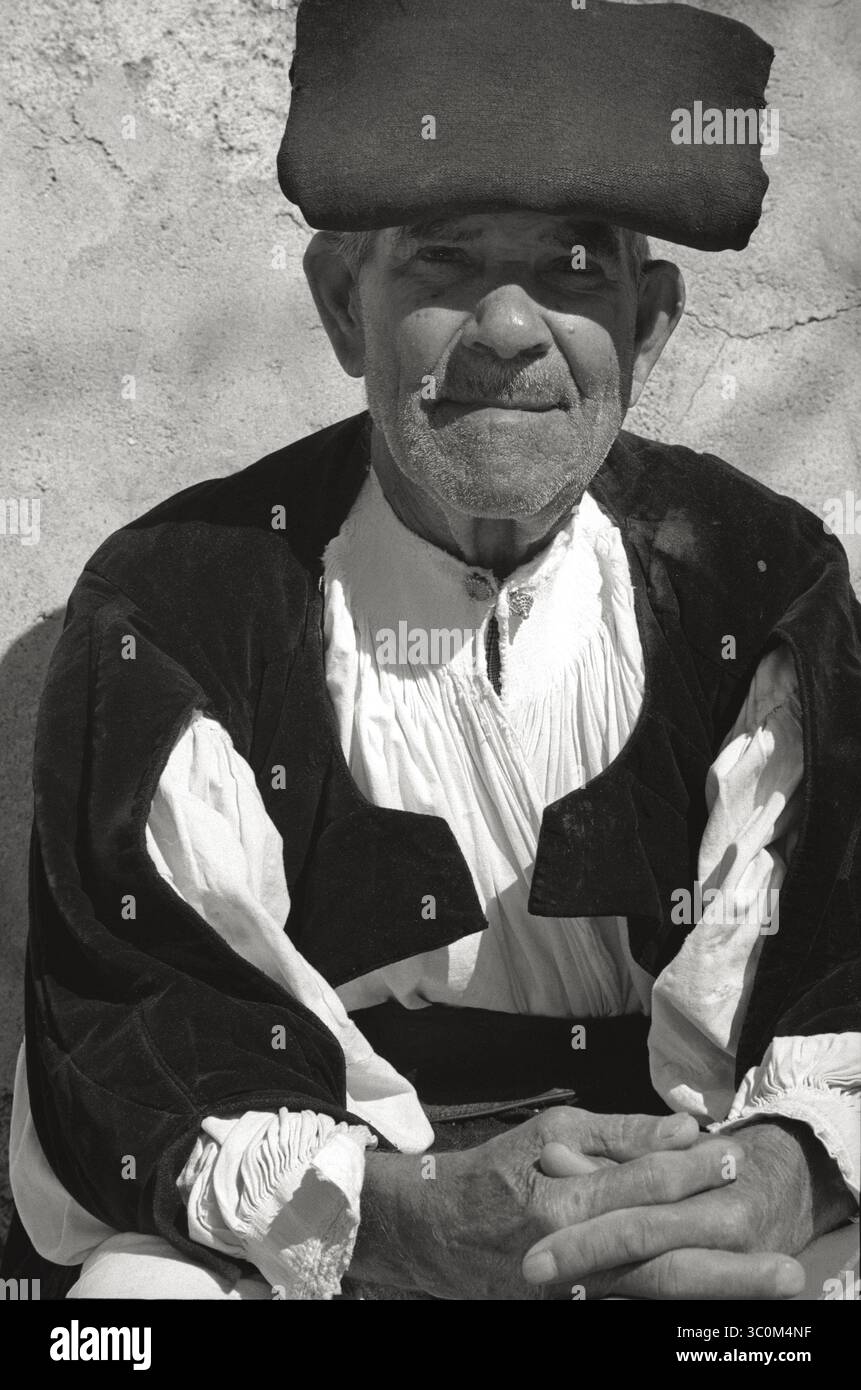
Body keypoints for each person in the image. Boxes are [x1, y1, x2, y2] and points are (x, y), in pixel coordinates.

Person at [3, 0, 859, 1301]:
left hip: (667, 1214)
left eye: (576, 266)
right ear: (345, 306)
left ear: (653, 323)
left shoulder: (762, 583)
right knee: (129, 1317)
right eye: (446, 260)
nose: (510, 329)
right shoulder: (170, 610)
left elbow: (829, 975)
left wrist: (784, 1175)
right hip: (329, 1240)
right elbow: (138, 1053)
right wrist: (398, 1219)